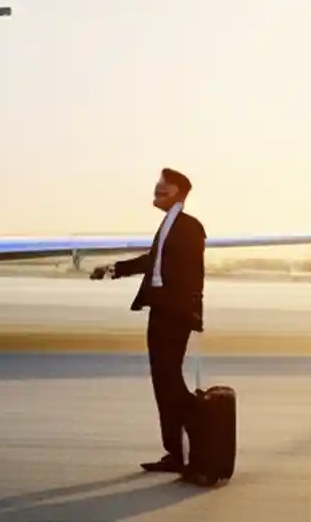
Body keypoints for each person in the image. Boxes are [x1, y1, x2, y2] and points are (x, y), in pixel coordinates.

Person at [91, 168, 206, 477]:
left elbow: (194, 275)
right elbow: (151, 262)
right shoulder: (168, 225)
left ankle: (199, 437)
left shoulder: (190, 227)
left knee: (170, 381)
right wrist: (114, 269)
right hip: (159, 311)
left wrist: (192, 314)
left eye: (162, 188)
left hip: (174, 316)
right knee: (162, 382)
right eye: (156, 187)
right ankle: (175, 453)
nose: (156, 192)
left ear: (179, 192)